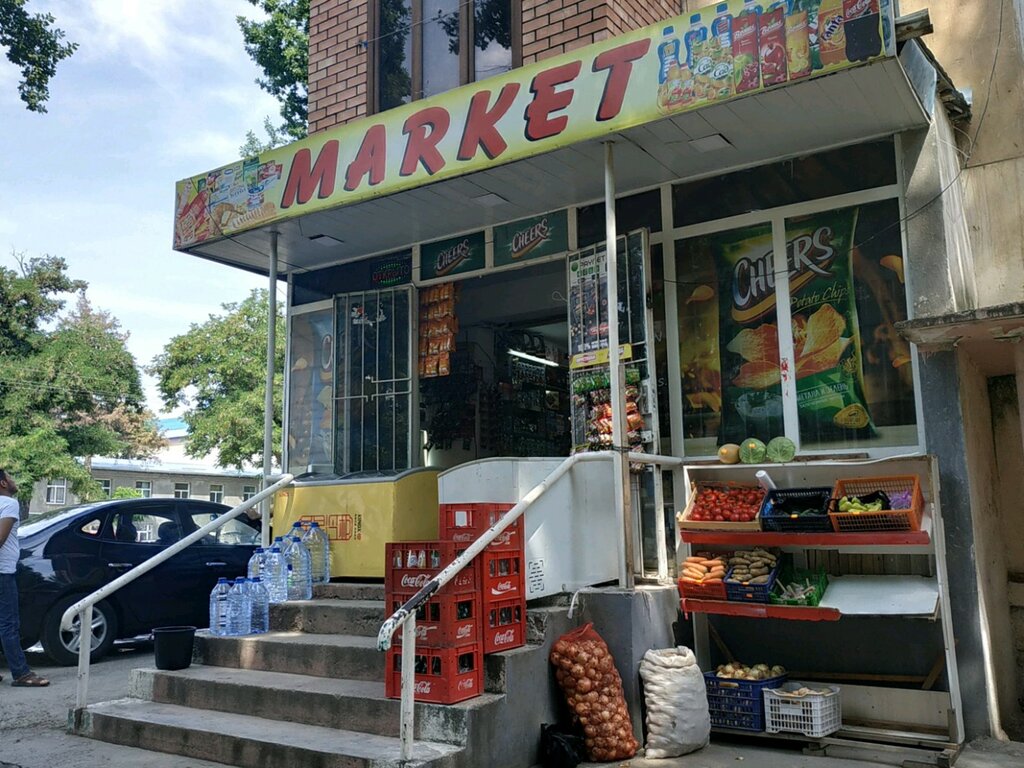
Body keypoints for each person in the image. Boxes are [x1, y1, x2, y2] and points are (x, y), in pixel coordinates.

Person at [0, 468, 49, 687]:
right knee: (9, 624)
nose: (13, 480)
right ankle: (21, 673)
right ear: (2, 483)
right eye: (9, 477)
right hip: (3, 572)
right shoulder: (9, 503)